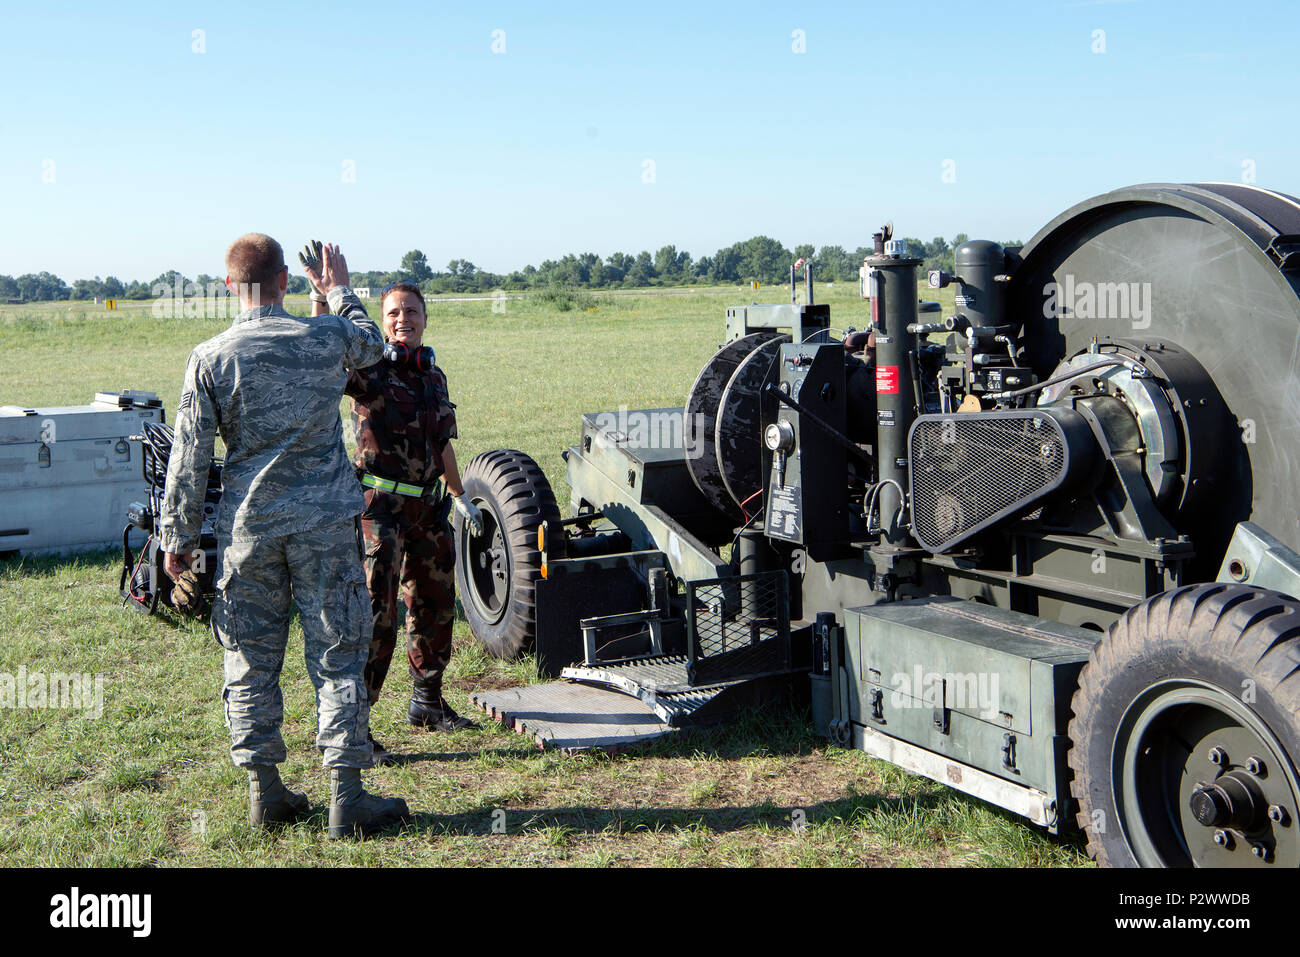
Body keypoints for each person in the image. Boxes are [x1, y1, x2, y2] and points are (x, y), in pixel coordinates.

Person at [158, 234, 411, 839]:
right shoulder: (323, 338)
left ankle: (264, 793)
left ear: (227, 287)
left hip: (249, 531)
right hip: (324, 526)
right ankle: (346, 796)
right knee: (338, 654)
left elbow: (188, 459)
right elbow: (374, 347)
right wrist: (340, 289)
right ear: (285, 282)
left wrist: (178, 536)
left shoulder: (210, 357)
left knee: (248, 661)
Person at [310, 275, 482, 762]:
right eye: (393, 314)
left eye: (411, 311)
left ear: (426, 319)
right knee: (375, 616)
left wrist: (459, 495)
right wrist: (323, 296)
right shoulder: (368, 372)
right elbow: (324, 344)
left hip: (428, 509)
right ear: (383, 323)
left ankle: (427, 702)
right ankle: (357, 728)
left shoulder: (434, 375)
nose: (403, 319)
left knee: (434, 606)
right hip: (378, 512)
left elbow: (443, 443)